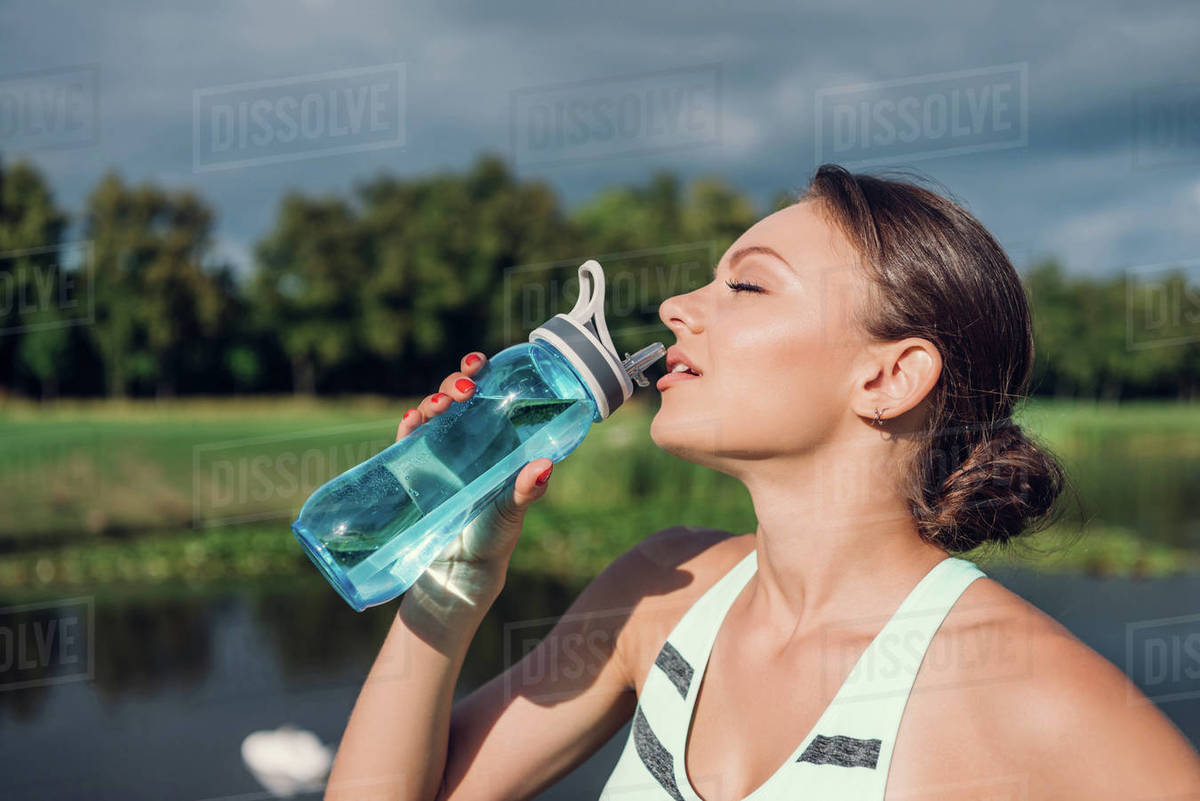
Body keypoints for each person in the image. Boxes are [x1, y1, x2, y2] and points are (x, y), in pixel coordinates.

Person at [323, 165, 1200, 801]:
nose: (677, 308)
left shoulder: (1026, 688)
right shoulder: (658, 595)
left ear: (890, 377)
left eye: (746, 284)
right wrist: (451, 590)